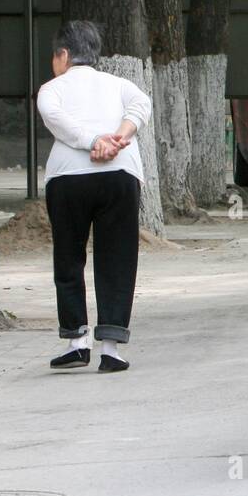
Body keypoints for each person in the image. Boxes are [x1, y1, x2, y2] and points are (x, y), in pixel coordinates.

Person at [36, 20, 151, 373]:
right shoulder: (119, 85)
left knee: (69, 257)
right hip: (120, 176)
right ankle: (112, 348)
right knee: (117, 257)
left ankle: (76, 341)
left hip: (68, 180)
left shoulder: (51, 89)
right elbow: (141, 106)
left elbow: (56, 119)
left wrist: (93, 142)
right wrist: (116, 136)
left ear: (64, 55)